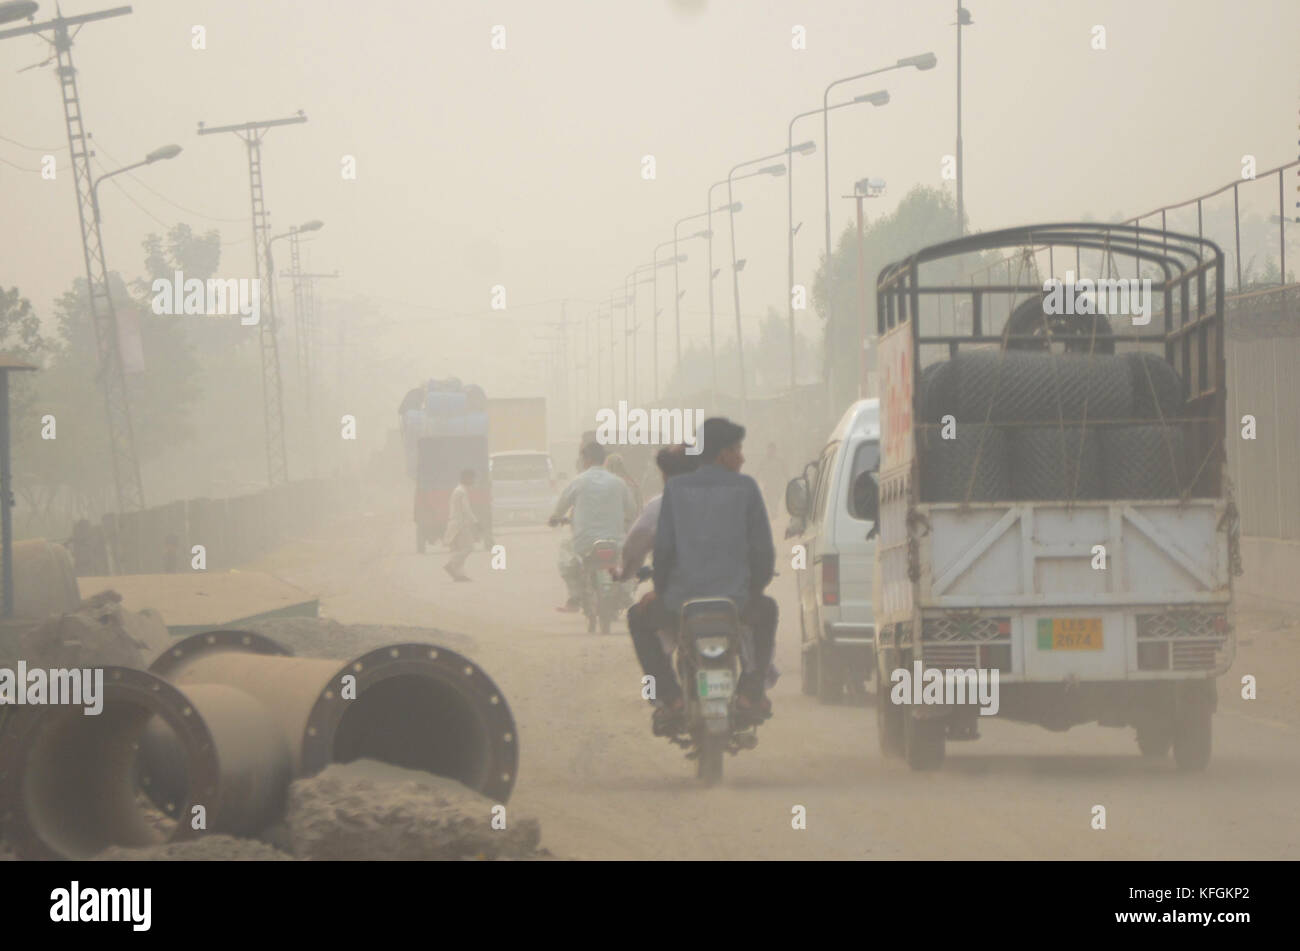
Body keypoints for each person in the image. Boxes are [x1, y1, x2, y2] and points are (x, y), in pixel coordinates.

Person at [651, 417, 778, 729]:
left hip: (681, 604)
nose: (742, 458)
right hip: (734, 602)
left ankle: (671, 697)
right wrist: (753, 592)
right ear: (723, 454)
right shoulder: (747, 488)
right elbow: (763, 552)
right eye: (738, 450)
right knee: (769, 611)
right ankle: (751, 692)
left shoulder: (675, 488)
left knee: (637, 619)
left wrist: (661, 591)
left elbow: (664, 551)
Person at [549, 440, 636, 612]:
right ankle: (626, 595)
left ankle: (574, 598)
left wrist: (555, 518)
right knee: (627, 561)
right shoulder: (618, 483)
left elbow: (560, 508)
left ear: (586, 459)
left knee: (566, 556)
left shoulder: (578, 482)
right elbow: (632, 512)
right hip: (615, 541)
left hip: (585, 543)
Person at [443, 469, 480, 581]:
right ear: (467, 478)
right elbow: (466, 510)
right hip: (461, 525)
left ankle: (459, 575)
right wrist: (476, 522)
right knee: (469, 548)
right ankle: (451, 565)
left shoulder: (459, 490)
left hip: (455, 524)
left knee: (458, 549)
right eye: (472, 478)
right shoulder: (461, 492)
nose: (474, 481)